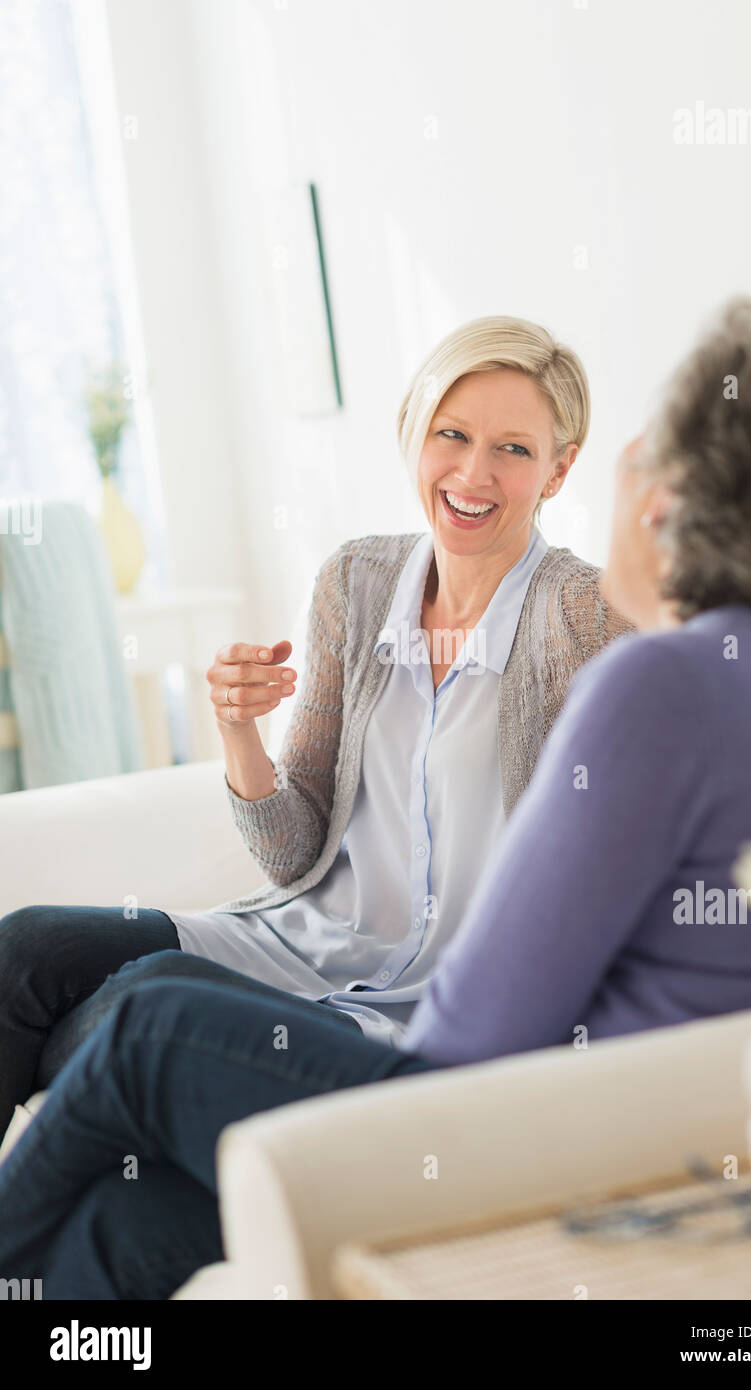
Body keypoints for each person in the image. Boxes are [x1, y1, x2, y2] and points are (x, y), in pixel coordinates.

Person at [2, 296, 751, 1300]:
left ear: (669, 503)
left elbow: (475, 1025)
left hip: (514, 1127)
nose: (478, 471)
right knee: (126, 1218)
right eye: (452, 434)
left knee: (145, 1018)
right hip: (630, 1129)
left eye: (638, 455)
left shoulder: (658, 677)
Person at [0, 315, 629, 1135]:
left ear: (557, 470)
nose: (473, 473)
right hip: (288, 947)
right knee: (23, 952)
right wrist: (235, 729)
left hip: (421, 1009)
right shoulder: (357, 581)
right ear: (414, 431)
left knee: (137, 1001)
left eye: (513, 449)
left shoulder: (580, 614)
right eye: (452, 434)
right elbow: (293, 848)